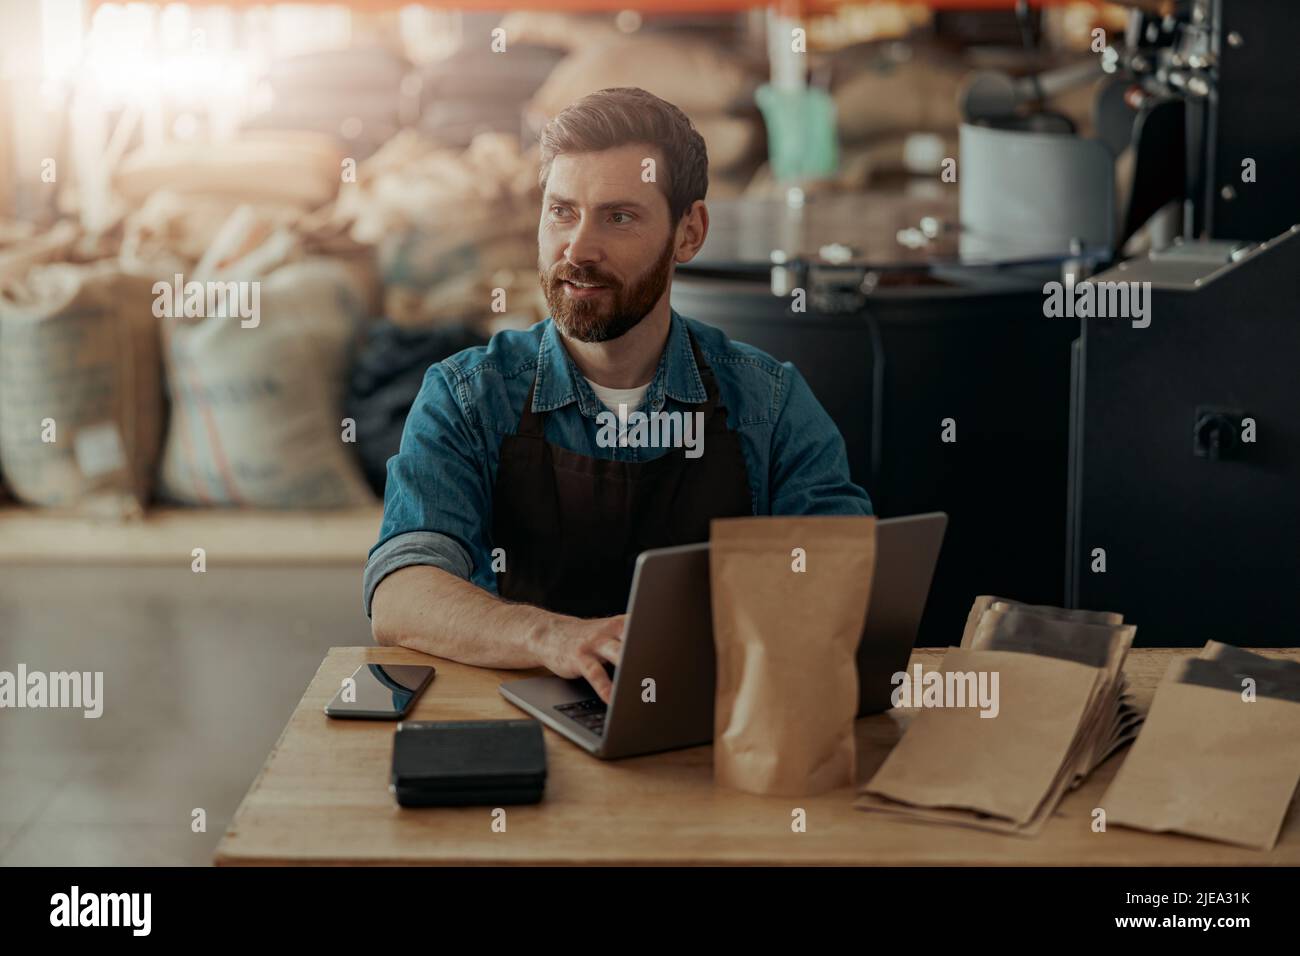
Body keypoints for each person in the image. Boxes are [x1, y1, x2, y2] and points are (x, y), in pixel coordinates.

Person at [367, 87, 871, 702]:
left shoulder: (769, 403)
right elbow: (402, 592)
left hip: (712, 740)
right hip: (518, 740)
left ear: (689, 233)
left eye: (619, 216)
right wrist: (550, 637)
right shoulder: (468, 397)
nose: (578, 249)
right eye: (561, 212)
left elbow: (846, 583)